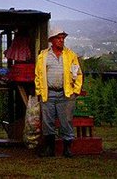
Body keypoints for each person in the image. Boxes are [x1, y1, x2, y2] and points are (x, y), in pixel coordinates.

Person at [34, 29, 83, 157]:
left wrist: (75, 91)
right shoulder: (43, 56)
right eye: (58, 38)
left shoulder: (70, 55)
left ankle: (67, 149)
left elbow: (78, 74)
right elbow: (38, 75)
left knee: (66, 121)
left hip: (65, 94)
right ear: (52, 40)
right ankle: (50, 149)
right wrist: (39, 91)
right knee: (47, 122)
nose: (61, 40)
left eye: (63, 38)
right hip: (48, 93)